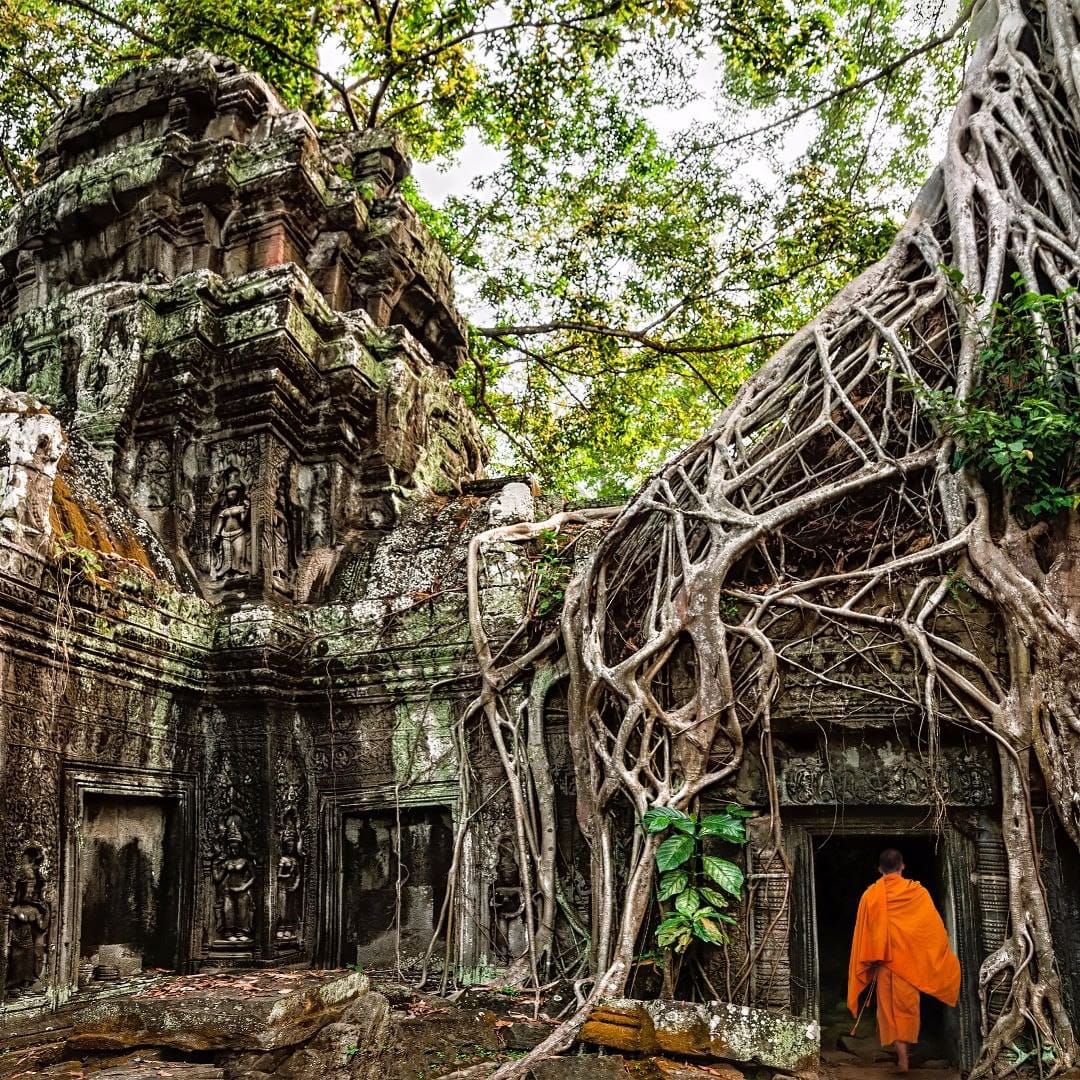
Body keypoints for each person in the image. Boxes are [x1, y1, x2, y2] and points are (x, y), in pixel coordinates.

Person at [847, 848, 960, 1072]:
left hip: (884, 965)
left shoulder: (870, 895)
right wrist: (934, 953)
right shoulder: (917, 893)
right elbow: (932, 931)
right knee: (906, 1009)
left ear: (879, 869)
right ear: (902, 867)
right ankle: (904, 1057)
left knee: (889, 1011)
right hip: (908, 965)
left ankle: (902, 1058)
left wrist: (871, 958)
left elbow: (864, 933)